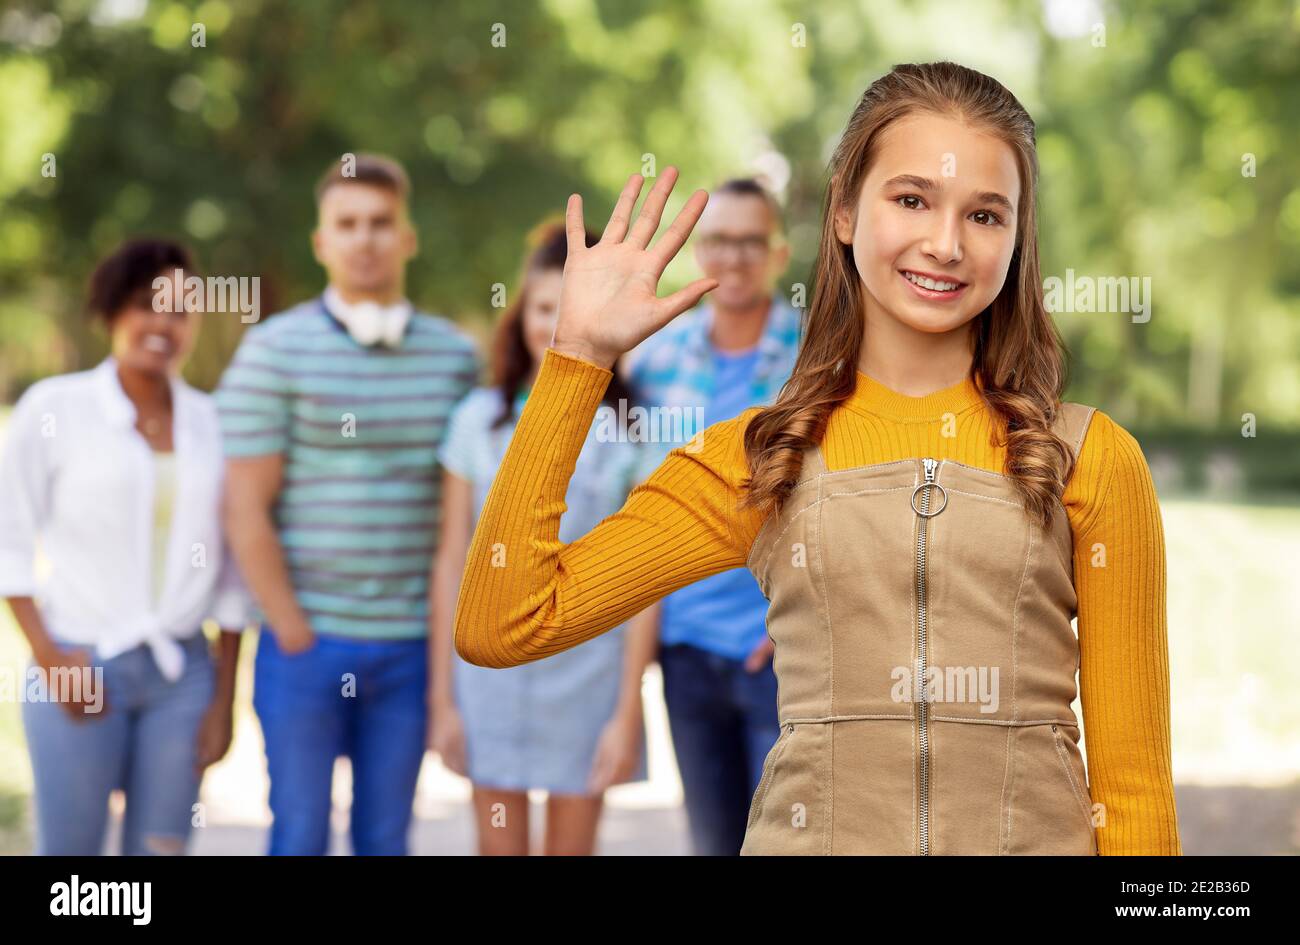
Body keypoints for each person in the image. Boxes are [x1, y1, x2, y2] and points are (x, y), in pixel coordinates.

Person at [452, 61, 1182, 855]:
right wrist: (577, 358)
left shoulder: (1088, 457)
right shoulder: (758, 457)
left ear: (1017, 237)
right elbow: (504, 622)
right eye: (911, 199)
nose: (945, 243)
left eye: (985, 215)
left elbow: (1133, 789)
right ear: (842, 210)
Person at [216, 154, 481, 855]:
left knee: (385, 838)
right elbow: (244, 510)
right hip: (306, 642)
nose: (365, 239)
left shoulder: (454, 358)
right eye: (348, 224)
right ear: (321, 241)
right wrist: (294, 629)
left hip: (410, 647)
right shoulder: (272, 351)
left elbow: (463, 508)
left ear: (408, 237)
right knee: (299, 835)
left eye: (381, 223)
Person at [0, 238, 250, 855]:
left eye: (181, 309)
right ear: (113, 310)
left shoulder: (214, 425)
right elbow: (7, 536)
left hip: (183, 676)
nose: (163, 323)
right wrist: (51, 660)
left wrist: (222, 697)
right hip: (80, 660)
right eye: (146, 304)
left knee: (161, 852)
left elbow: (232, 574)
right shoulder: (55, 409)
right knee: (72, 861)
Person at [430, 219, 653, 856]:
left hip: (589, 676)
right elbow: (451, 561)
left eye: (571, 308)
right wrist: (443, 699)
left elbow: (641, 585)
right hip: (487, 678)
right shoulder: (477, 422)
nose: (555, 325)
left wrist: (626, 713)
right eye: (543, 308)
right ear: (520, 314)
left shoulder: (629, 429)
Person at [619, 178, 800, 854]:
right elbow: (637, 513)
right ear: (699, 251)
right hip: (685, 648)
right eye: (720, 239)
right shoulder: (655, 361)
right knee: (713, 840)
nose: (735, 255)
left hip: (780, 649)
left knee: (787, 841)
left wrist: (807, 622)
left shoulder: (821, 359)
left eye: (752, 240)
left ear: (777, 252)